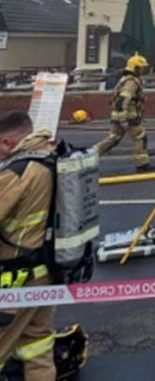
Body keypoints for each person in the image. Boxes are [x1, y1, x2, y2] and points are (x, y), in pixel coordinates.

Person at [0, 111, 56, 380]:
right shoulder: (51, 157)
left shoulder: (17, 172)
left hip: (15, 277)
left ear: (7, 143)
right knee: (37, 344)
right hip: (44, 272)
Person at [95, 53, 155, 173]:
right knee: (140, 136)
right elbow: (123, 100)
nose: (143, 70)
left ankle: (88, 157)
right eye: (141, 67)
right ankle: (142, 165)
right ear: (135, 68)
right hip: (128, 116)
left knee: (113, 139)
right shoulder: (131, 82)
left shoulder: (126, 79)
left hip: (118, 115)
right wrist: (124, 120)